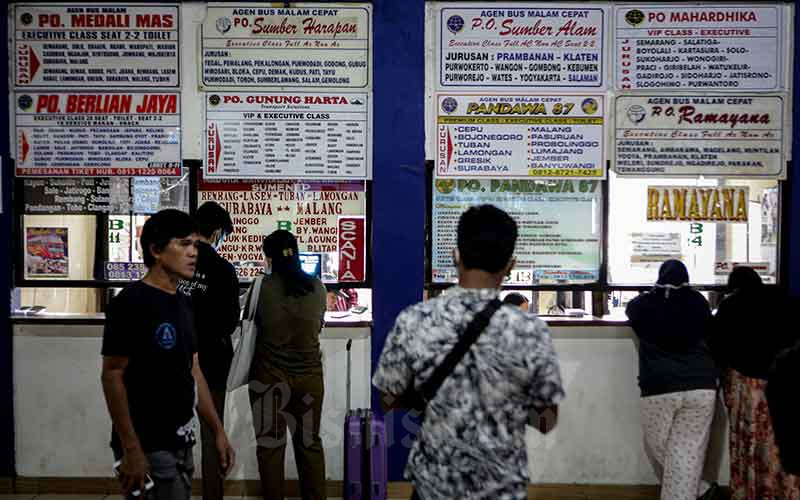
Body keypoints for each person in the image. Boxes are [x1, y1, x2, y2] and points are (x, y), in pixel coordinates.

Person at [373, 204, 564, 500]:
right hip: (501, 487)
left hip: (434, 486)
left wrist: (435, 399)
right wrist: (504, 400)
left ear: (456, 256)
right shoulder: (530, 330)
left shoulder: (415, 319)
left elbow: (386, 399)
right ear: (510, 265)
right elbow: (546, 420)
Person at [101, 209, 235, 500]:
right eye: (184, 244)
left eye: (195, 244)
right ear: (156, 250)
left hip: (182, 440)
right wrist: (131, 448)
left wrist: (217, 431)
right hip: (148, 445)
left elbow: (193, 368)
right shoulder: (131, 303)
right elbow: (112, 376)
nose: (193, 252)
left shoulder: (182, 301)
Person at [625, 260, 718, 500]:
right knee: (688, 451)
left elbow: (631, 308)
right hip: (701, 386)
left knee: (662, 446)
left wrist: (653, 293)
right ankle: (702, 490)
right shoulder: (698, 302)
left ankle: (702, 490)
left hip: (659, 387)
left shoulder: (644, 305)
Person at [249, 229, 327, 500]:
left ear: (269, 258)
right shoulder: (318, 287)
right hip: (309, 379)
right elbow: (318, 326)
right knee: (309, 444)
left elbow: (250, 323)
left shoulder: (260, 287)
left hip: (269, 377)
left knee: (270, 446)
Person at [711, 266, 800, 498]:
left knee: (749, 441)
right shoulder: (784, 300)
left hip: (747, 386)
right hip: (785, 383)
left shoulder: (731, 305)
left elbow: (718, 345)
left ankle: (751, 490)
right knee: (783, 439)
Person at [179, 201, 240, 500]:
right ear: (216, 233)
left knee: (172, 433)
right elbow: (230, 321)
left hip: (175, 361)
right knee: (213, 434)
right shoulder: (224, 270)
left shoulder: (176, 263)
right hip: (213, 363)